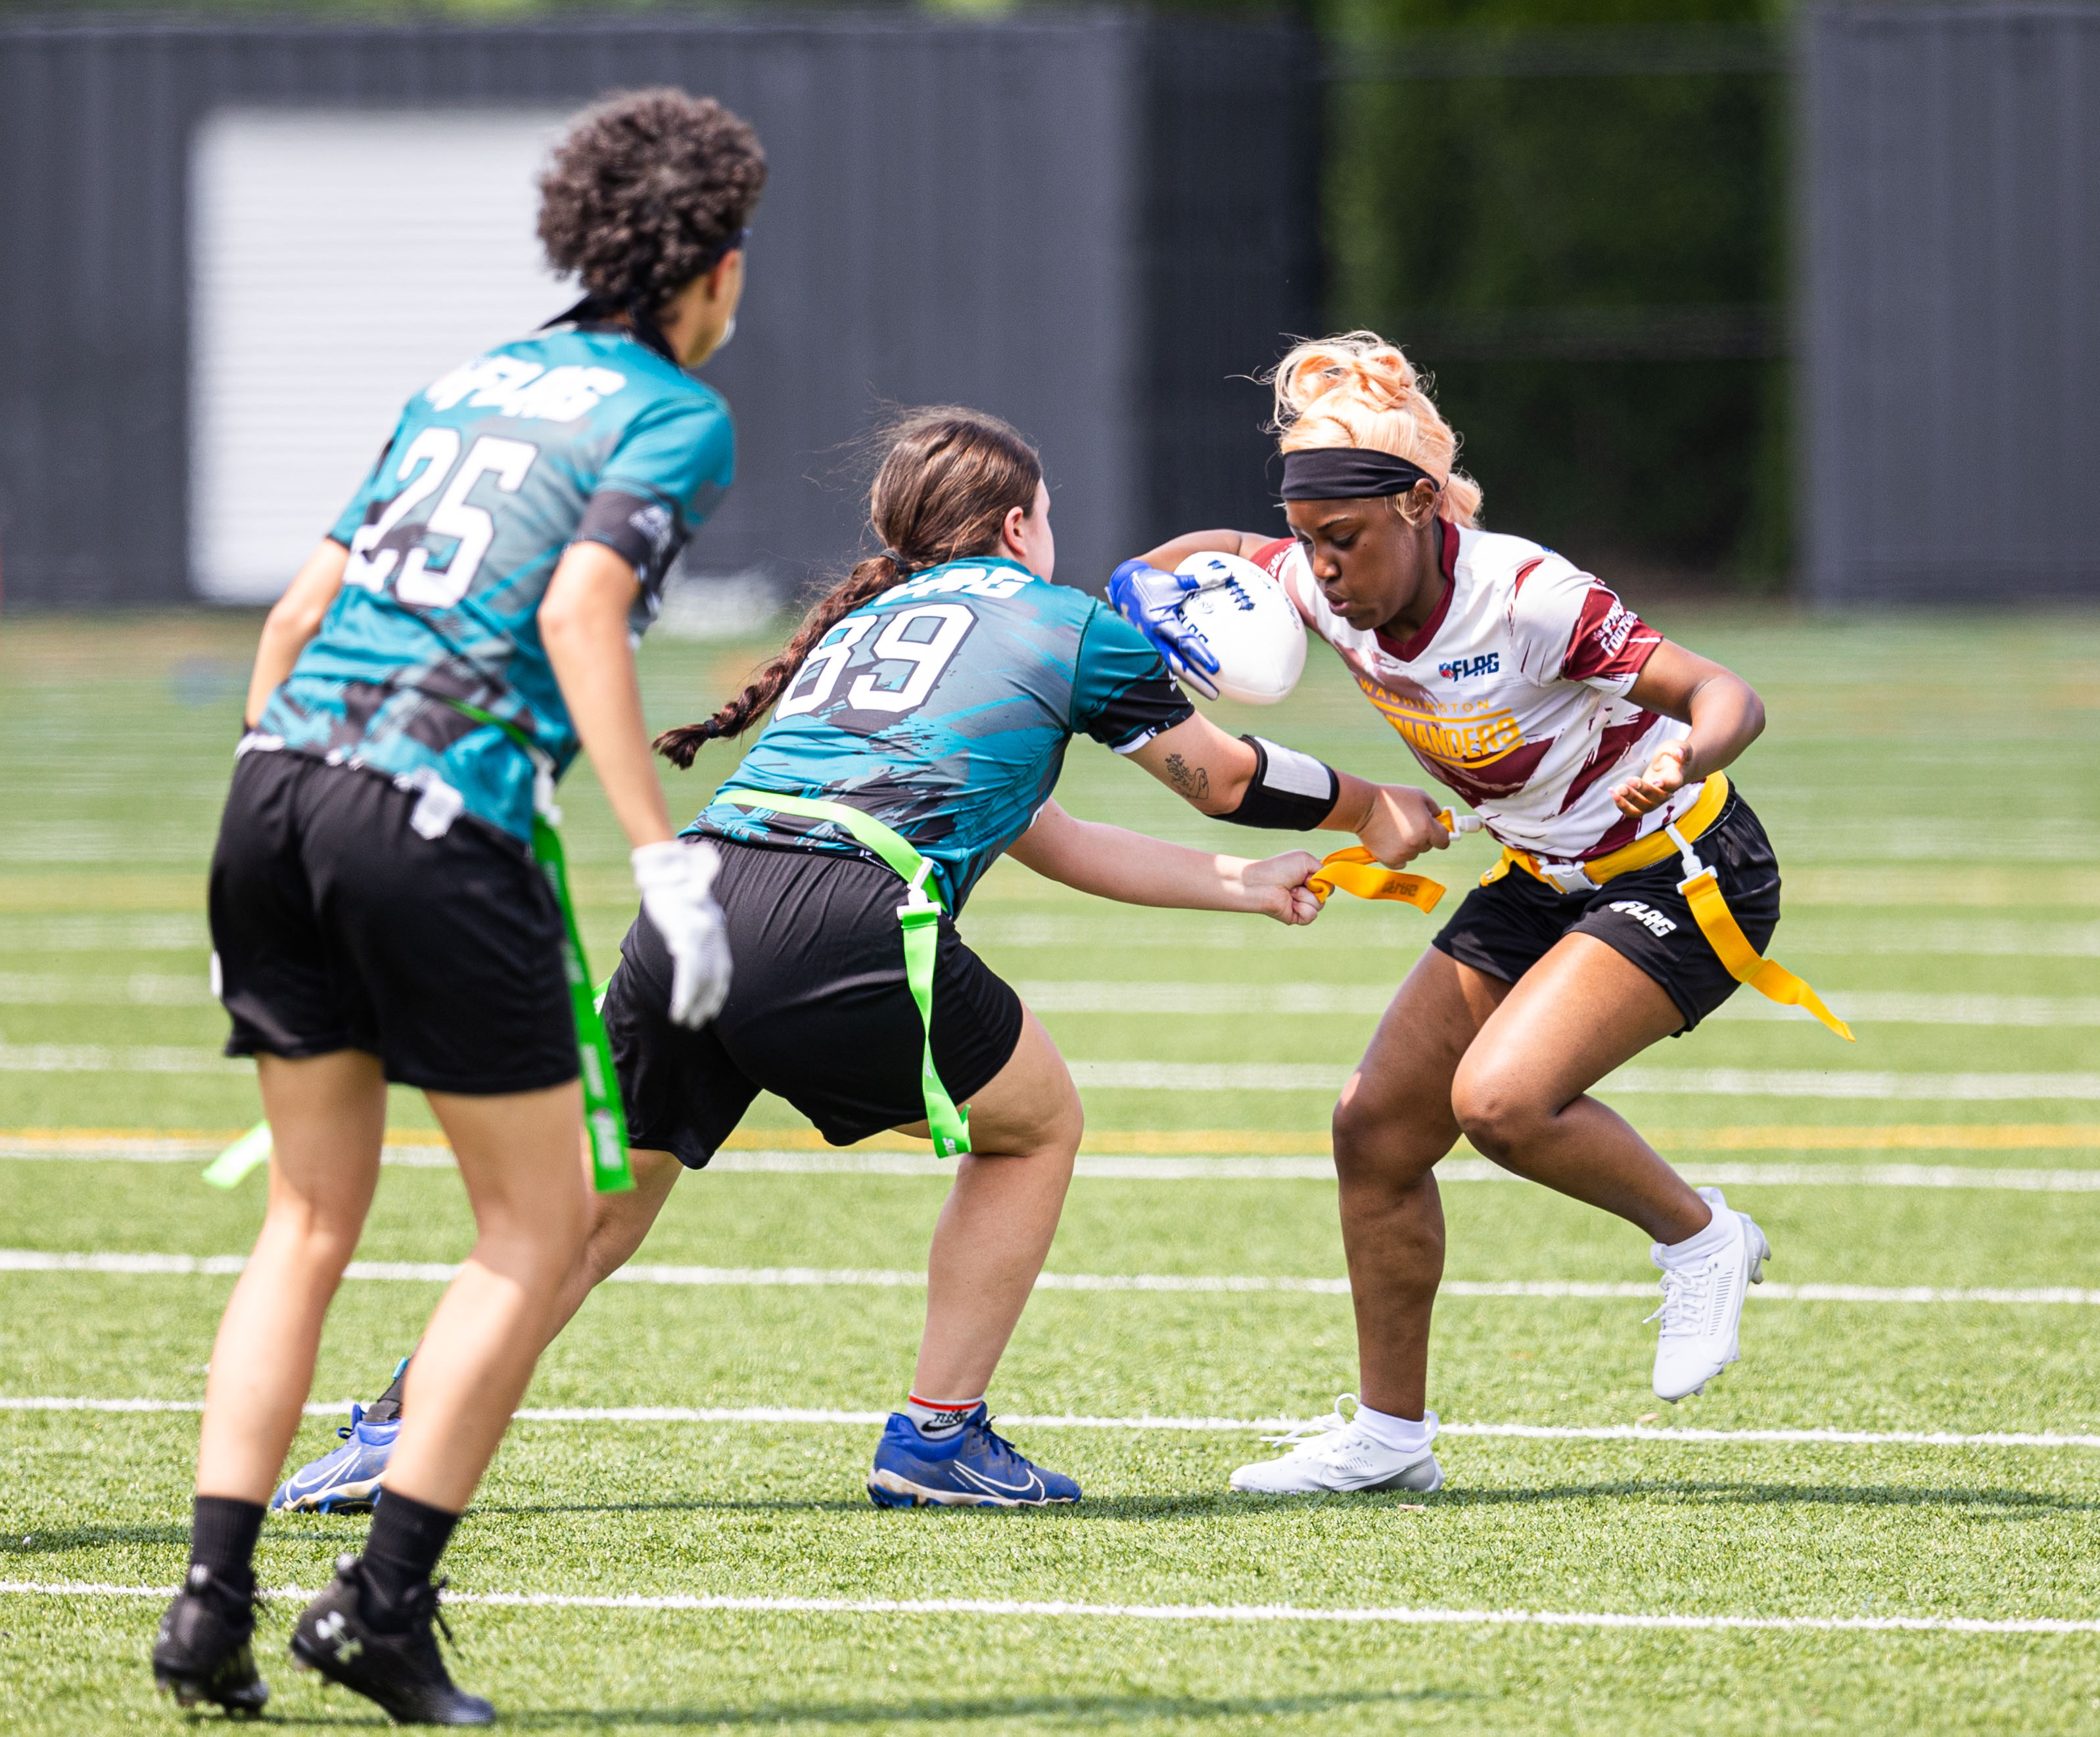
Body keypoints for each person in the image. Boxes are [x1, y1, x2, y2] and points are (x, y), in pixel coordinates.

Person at [264, 404, 1452, 1517]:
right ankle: (938, 1437)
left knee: (589, 1210)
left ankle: (399, 1426)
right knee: (1035, 1127)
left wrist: (1235, 887)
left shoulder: (868, 622)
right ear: (1016, 525)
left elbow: (1046, 833)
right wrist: (1366, 807)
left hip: (701, 896)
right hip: (843, 911)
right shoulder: (1063, 621)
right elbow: (1230, 778)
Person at [152, 89, 766, 1725]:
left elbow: (302, 606)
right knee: (540, 1223)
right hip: (431, 809)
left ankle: (209, 1601)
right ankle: (379, 1602)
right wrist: (658, 849)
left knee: (307, 1215)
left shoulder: (464, 379)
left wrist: (264, 813)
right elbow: (580, 612)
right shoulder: (672, 410)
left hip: (275, 780)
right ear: (702, 263)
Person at [1108, 332, 1850, 1496]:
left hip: (1683, 865)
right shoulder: (1311, 573)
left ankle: (1703, 1238)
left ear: (1417, 505)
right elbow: (1207, 555)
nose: (1322, 572)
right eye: (1305, 543)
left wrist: (1683, 760)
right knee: (1377, 1131)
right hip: (1543, 875)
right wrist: (1150, 591)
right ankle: (1390, 1440)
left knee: (1501, 1103)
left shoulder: (1528, 594)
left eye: (1342, 540)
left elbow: (1726, 694)